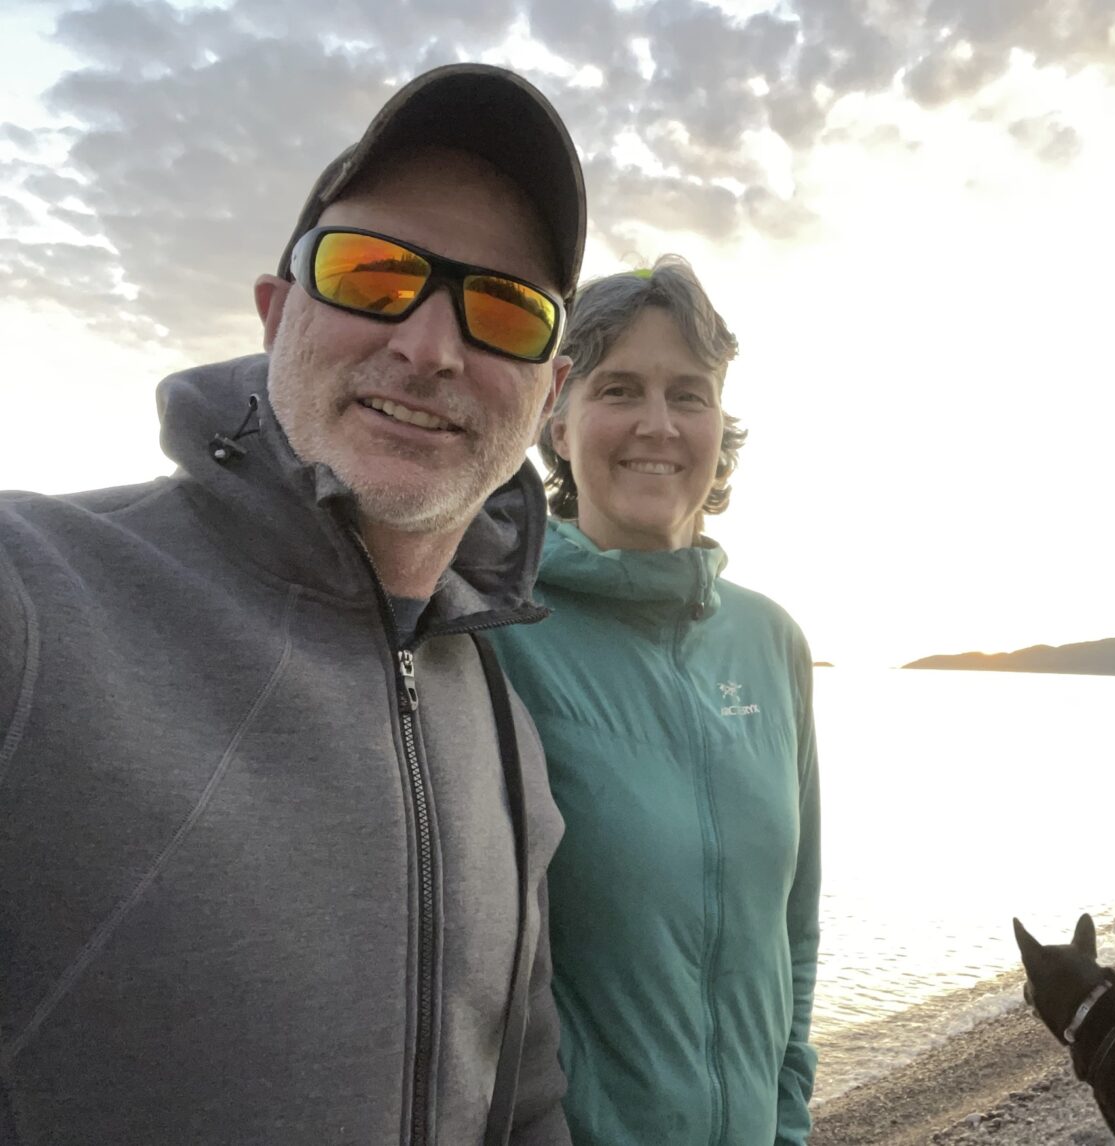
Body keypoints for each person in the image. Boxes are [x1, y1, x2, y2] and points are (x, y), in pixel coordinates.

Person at [0, 65, 584, 1145]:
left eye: (503, 307)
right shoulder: (39, 598)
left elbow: (527, 1091)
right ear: (276, 315)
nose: (427, 344)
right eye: (372, 274)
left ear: (547, 393)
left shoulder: (503, 720)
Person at [487, 257, 822, 1145]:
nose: (658, 425)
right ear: (557, 419)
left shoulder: (773, 642)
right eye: (620, 389)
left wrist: (787, 1124)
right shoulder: (499, 634)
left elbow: (794, 926)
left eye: (690, 394)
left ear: (722, 425)